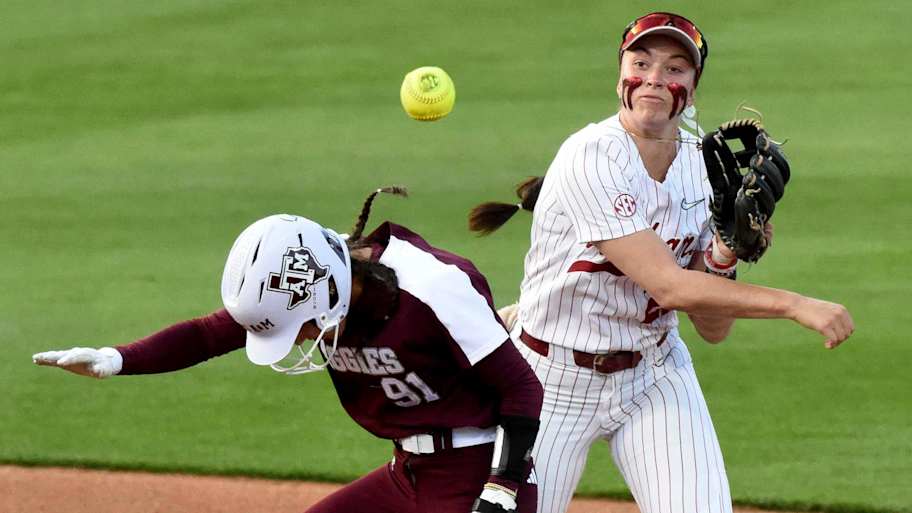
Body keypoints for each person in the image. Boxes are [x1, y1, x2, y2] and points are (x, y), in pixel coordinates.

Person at [468, 12, 854, 513]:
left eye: (675, 68)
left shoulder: (701, 166)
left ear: (691, 90)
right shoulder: (592, 157)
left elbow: (712, 328)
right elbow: (669, 287)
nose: (655, 77)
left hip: (654, 373)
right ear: (619, 78)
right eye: (642, 62)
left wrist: (724, 249)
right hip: (550, 378)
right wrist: (795, 304)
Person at [33, 188, 544, 513]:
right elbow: (211, 334)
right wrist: (117, 359)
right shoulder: (312, 276)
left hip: (474, 476)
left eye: (298, 328)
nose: (299, 338)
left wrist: (501, 492)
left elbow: (521, 386)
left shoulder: (435, 288)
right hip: (406, 475)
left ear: (329, 294)